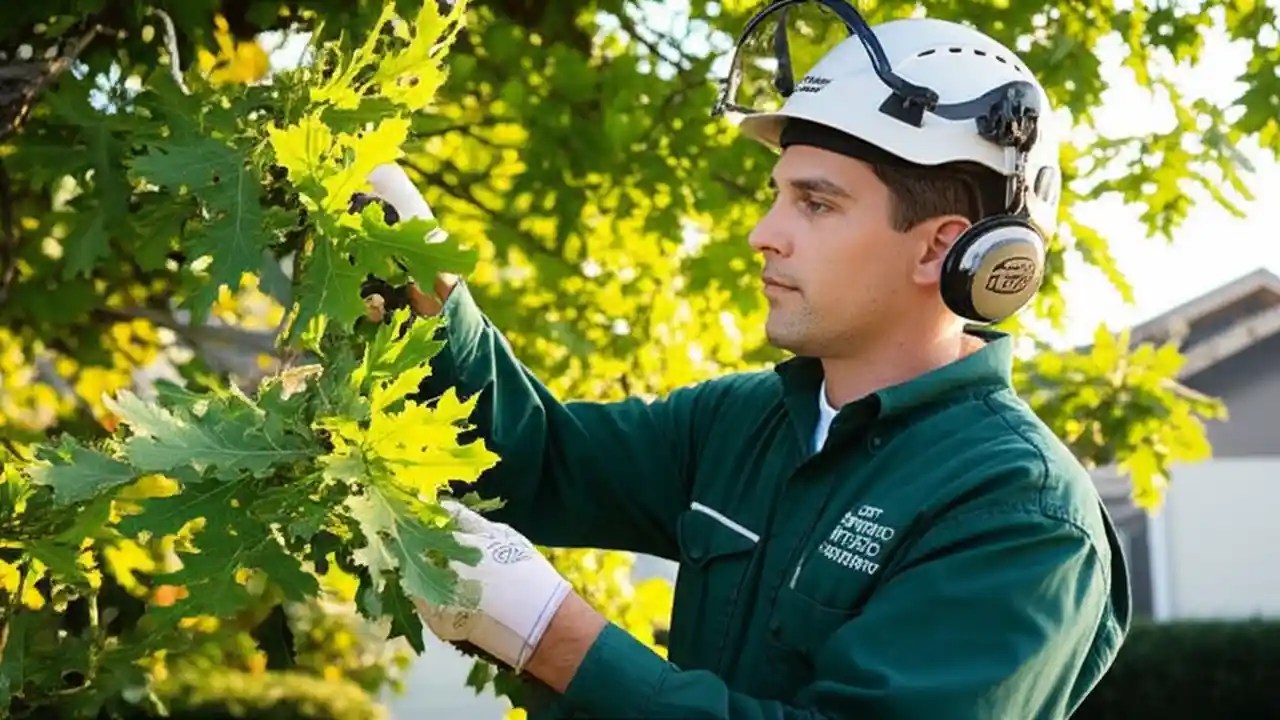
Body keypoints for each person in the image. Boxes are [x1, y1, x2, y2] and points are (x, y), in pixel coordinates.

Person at [362, 3, 1131, 718]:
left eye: (817, 203)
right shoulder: (741, 422)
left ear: (939, 246)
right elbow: (531, 462)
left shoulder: (1019, 511)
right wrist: (431, 299)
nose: (765, 234)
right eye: (776, 196)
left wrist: (553, 636)